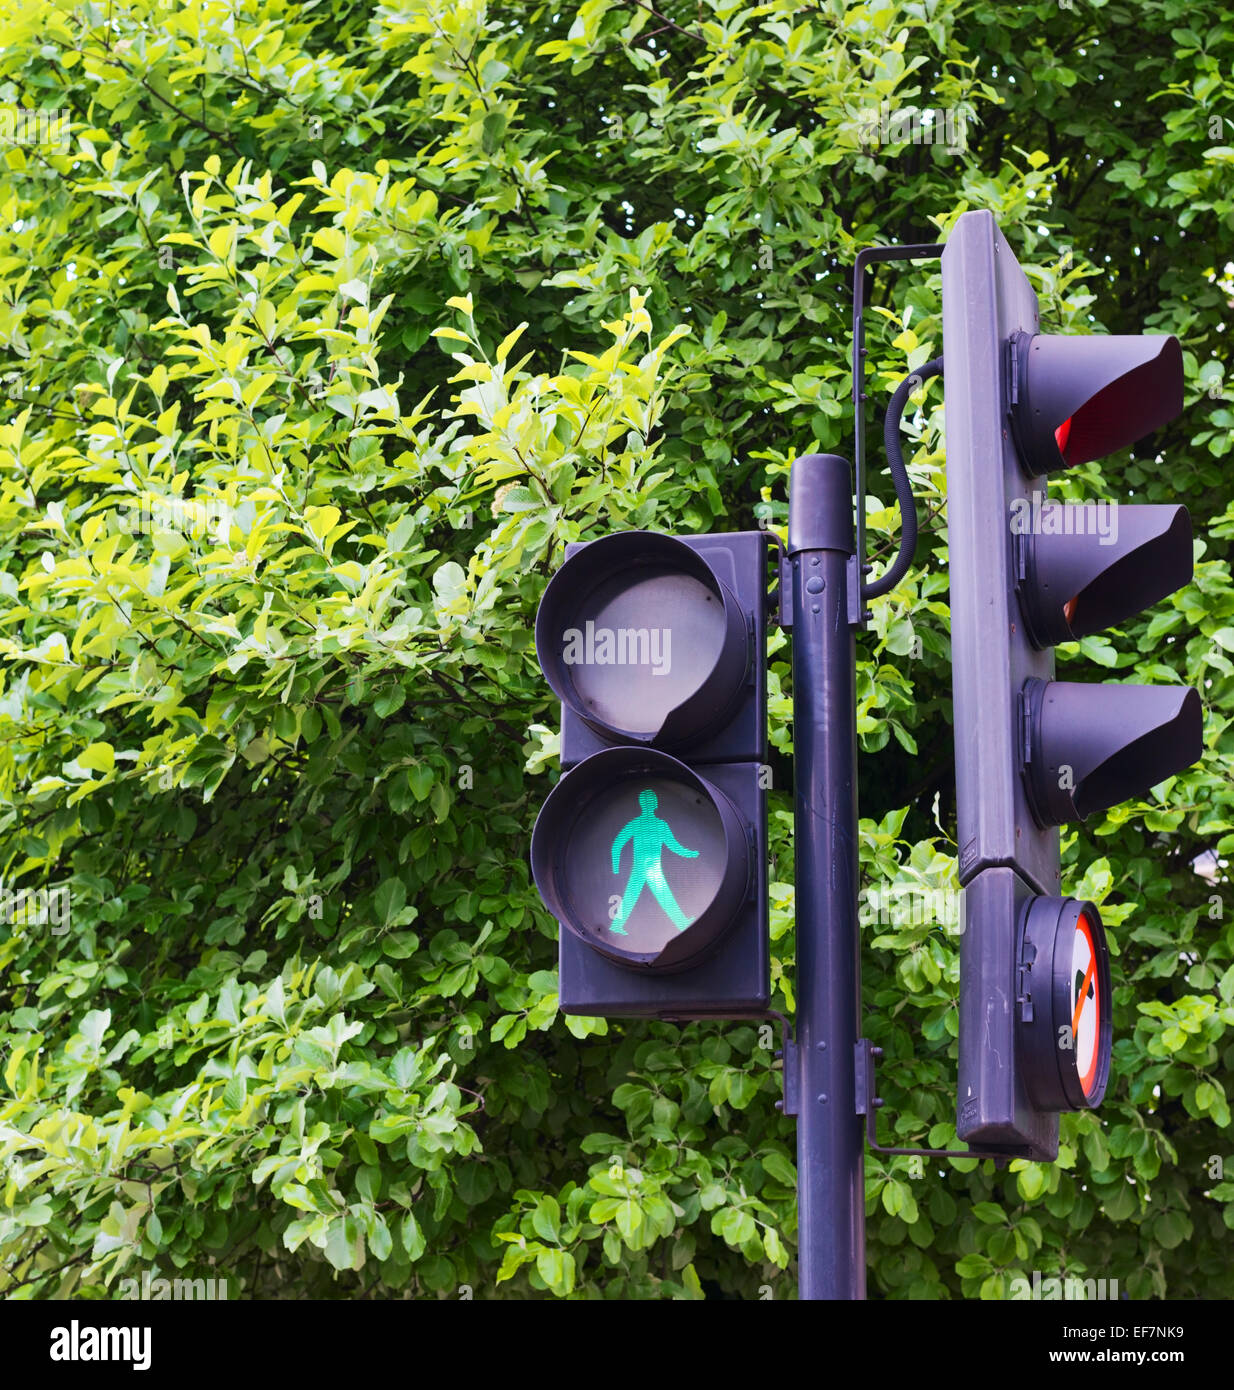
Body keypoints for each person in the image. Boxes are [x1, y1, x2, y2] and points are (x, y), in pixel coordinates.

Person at [609, 788, 699, 933]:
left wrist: (616, 867)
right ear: (654, 804)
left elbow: (617, 844)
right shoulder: (658, 825)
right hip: (652, 869)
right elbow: (674, 846)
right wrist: (690, 853)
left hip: (644, 868)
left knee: (633, 897)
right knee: (663, 897)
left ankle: (616, 925)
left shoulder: (638, 824)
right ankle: (682, 923)